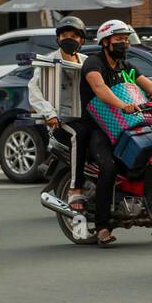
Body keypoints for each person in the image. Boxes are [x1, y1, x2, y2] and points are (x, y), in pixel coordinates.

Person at [82, 20, 152, 245]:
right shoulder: (93, 63)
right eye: (119, 39)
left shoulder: (126, 66)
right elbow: (100, 90)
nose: (124, 43)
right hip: (99, 127)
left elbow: (151, 87)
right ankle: (101, 226)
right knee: (108, 169)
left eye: (126, 39)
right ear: (105, 42)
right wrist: (122, 105)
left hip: (128, 124)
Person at [28, 15, 91, 211]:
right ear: (58, 39)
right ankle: (75, 189)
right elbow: (34, 90)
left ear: (81, 40)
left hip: (86, 117)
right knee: (78, 135)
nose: (69, 39)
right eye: (65, 35)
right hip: (61, 121)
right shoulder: (47, 63)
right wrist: (49, 113)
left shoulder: (87, 62)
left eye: (74, 35)